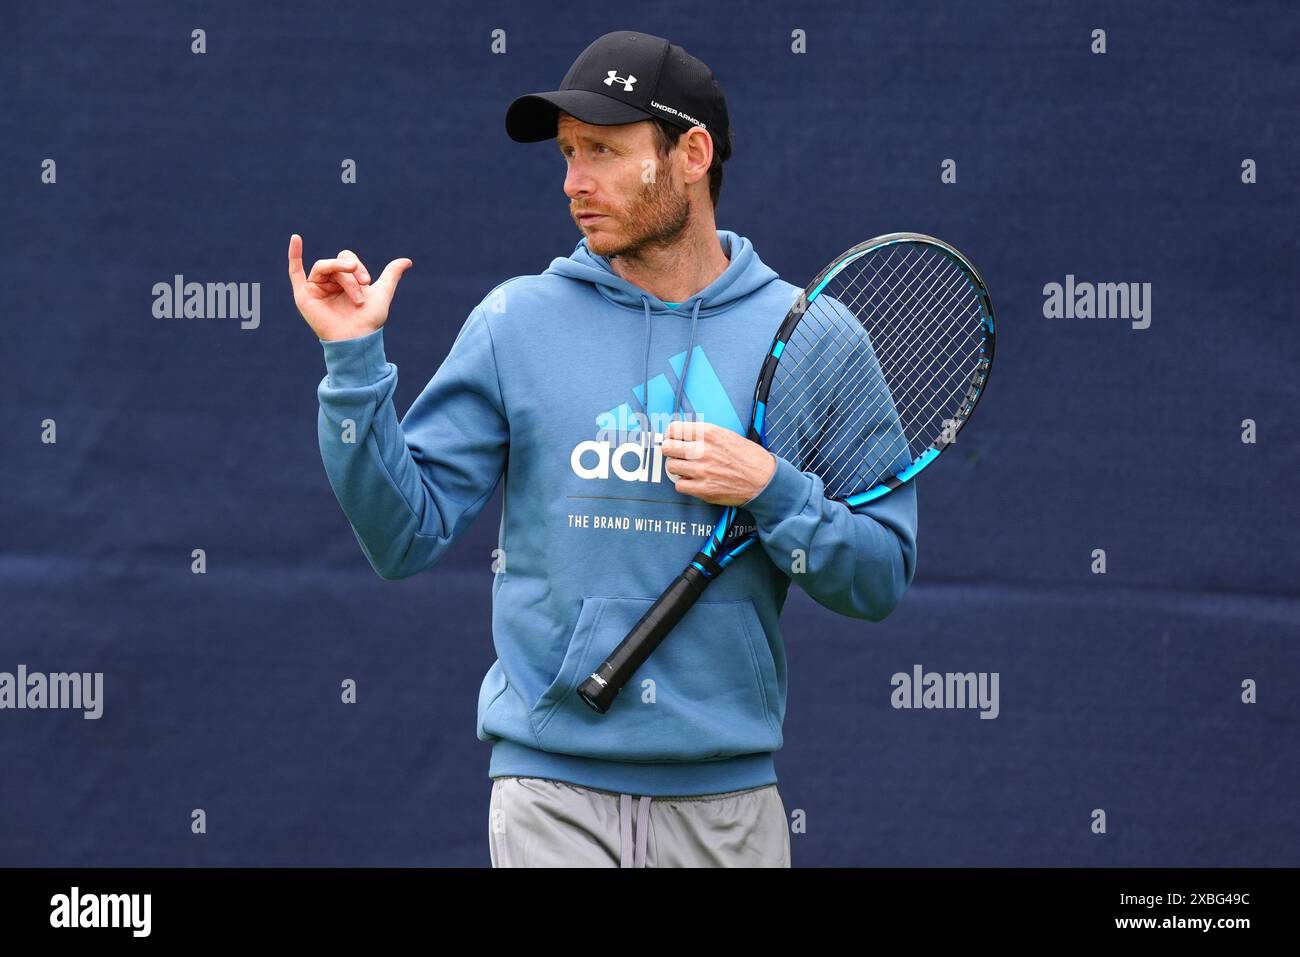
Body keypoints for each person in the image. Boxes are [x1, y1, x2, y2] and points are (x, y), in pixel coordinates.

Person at [287, 30, 917, 868]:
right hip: (547, 796)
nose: (574, 183)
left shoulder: (816, 338)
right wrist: (353, 363)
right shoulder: (517, 321)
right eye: (568, 154)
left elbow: (878, 577)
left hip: (726, 806)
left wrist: (773, 491)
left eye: (605, 152)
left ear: (692, 153)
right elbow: (403, 538)